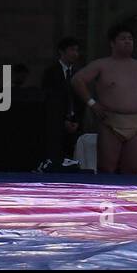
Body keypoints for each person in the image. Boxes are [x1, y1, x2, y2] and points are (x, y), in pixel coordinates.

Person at [71, 27, 137, 174]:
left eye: (130, 39)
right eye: (123, 38)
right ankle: (106, 197)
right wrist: (93, 104)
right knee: (107, 167)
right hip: (110, 121)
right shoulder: (102, 65)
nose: (127, 42)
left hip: (136, 122)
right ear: (112, 43)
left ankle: (128, 197)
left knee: (133, 168)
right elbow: (77, 80)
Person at [37, 37, 84, 172]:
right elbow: (49, 100)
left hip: (74, 121)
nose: (75, 53)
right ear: (61, 52)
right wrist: (62, 120)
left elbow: (81, 100)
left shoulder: (78, 74)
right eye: (72, 50)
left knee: (71, 156)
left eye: (77, 50)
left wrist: (77, 121)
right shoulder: (51, 72)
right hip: (55, 122)